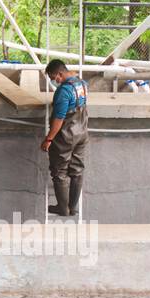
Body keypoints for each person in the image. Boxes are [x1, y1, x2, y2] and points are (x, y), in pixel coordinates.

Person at [41, 59, 89, 216]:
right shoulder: (82, 84)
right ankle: (72, 207)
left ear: (60, 73)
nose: (53, 81)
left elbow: (59, 118)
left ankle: (63, 208)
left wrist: (48, 139)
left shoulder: (63, 92)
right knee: (77, 170)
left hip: (65, 136)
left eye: (54, 77)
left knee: (59, 171)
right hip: (81, 132)